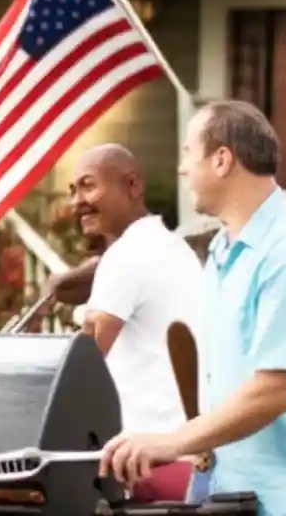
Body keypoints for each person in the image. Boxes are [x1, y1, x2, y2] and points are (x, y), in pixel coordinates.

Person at [98, 100, 286, 516]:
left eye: (189, 153)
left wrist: (172, 441)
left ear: (222, 160)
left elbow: (277, 386)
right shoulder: (222, 251)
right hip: (231, 487)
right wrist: (192, 451)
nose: (182, 169)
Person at [67, 144, 201, 501]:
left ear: (133, 185)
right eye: (73, 191)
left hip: (146, 463)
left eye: (88, 185)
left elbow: (82, 365)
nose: (77, 201)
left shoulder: (127, 253)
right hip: (187, 457)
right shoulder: (171, 247)